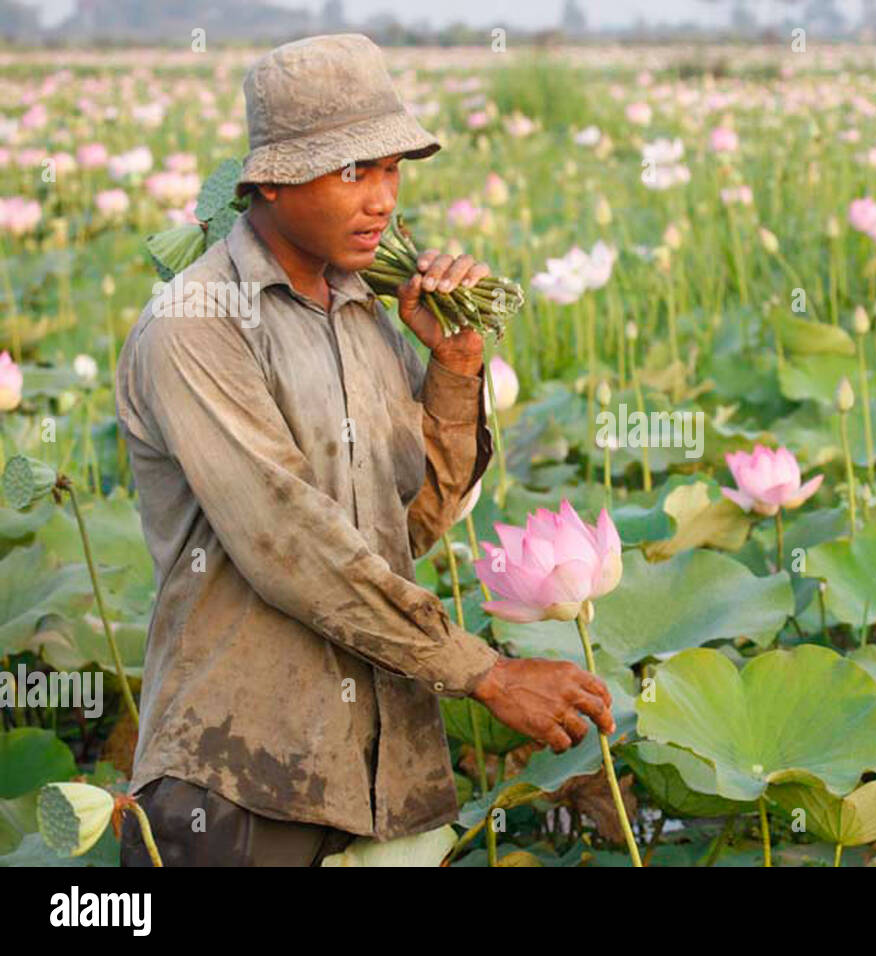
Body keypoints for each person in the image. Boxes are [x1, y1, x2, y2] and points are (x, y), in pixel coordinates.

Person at [115, 33, 613, 867]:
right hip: (240, 776)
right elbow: (295, 548)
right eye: (353, 172)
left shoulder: (360, 313)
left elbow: (404, 527)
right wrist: (486, 673)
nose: (382, 200)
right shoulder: (195, 325)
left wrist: (454, 368)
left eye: (391, 169)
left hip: (381, 768)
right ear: (269, 178)